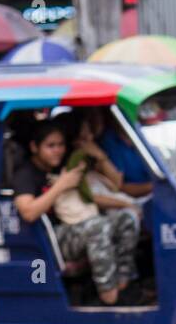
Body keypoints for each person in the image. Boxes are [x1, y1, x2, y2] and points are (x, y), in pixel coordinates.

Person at [12, 120, 140, 307]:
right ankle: (109, 296)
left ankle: (123, 284)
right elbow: (28, 212)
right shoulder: (26, 173)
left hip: (75, 226)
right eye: (50, 146)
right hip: (51, 238)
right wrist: (61, 185)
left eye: (60, 145)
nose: (58, 150)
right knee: (98, 226)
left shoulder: (62, 166)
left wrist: (125, 204)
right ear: (34, 147)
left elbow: (107, 187)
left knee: (126, 219)